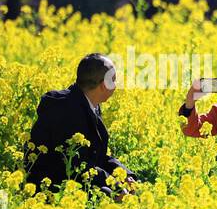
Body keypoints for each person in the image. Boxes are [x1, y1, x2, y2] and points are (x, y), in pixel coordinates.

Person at [25, 53, 137, 199]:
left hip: (78, 178)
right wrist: (114, 184)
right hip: (50, 189)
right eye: (114, 80)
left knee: (128, 189)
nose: (116, 85)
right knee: (108, 196)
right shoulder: (66, 110)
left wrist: (123, 174)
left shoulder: (87, 103)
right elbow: (76, 164)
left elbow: (98, 156)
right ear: (104, 85)